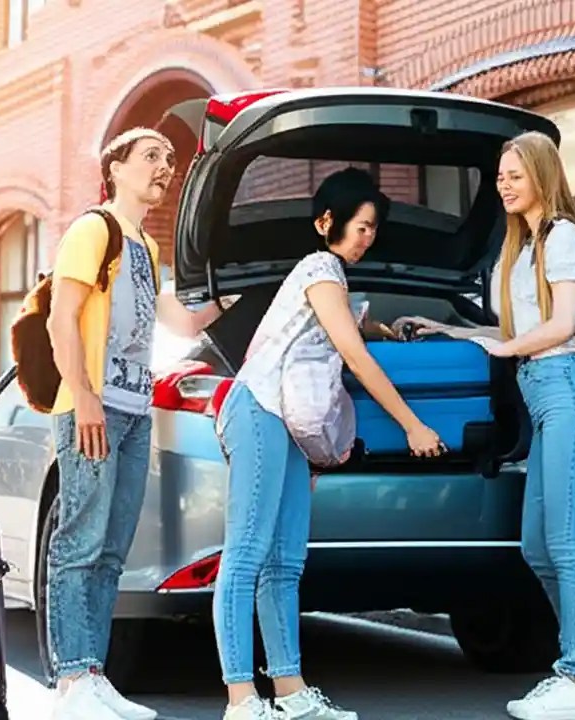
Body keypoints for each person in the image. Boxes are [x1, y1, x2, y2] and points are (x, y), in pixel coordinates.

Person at [395, 131, 575, 720]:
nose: (503, 184)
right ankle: (573, 667)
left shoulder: (564, 238)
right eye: (498, 176)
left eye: (514, 174)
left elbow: (564, 325)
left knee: (566, 544)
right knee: (537, 547)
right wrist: (444, 330)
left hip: (570, 387)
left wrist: (510, 346)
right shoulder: (517, 250)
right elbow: (505, 335)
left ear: (542, 175)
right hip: (543, 396)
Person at [214, 167, 445, 720]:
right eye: (361, 226)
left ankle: (291, 692)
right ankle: (241, 698)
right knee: (247, 554)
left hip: (289, 424)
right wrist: (412, 424)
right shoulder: (320, 268)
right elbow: (356, 360)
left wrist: (382, 330)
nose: (369, 237)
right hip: (261, 410)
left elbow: (345, 342)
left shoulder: (333, 281)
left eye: (373, 229)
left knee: (286, 561)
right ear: (326, 223)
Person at [45, 126, 222, 720]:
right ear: (115, 167)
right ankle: (72, 682)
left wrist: (245, 285)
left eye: (169, 160)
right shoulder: (93, 230)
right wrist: (86, 396)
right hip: (91, 410)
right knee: (79, 544)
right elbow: (60, 320)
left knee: (113, 552)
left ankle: (93, 676)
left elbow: (185, 324)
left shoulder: (145, 247)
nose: (164, 166)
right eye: (151, 156)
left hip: (133, 411)